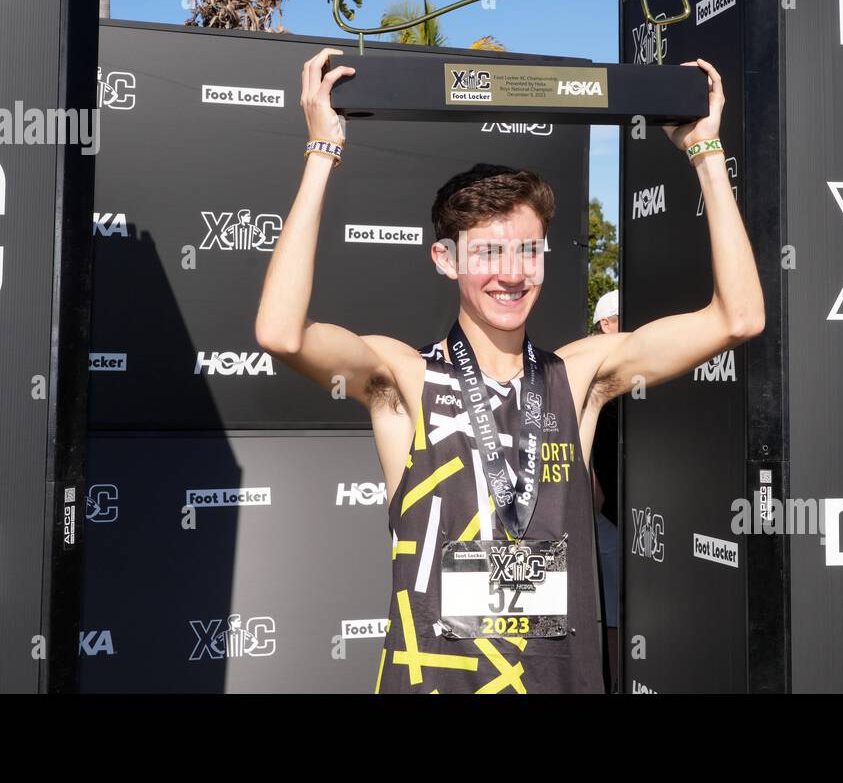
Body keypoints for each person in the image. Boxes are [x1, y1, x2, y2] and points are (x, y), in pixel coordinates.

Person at [255, 48, 765, 693]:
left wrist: (706, 154)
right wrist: (322, 152)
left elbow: (739, 318)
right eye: (488, 252)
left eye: (528, 250)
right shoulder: (403, 380)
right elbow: (279, 332)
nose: (512, 272)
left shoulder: (580, 377)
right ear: (446, 260)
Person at [588, 289, 621, 692]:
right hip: (606, 517)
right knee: (612, 615)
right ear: (607, 323)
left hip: (629, 514)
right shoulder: (593, 373)